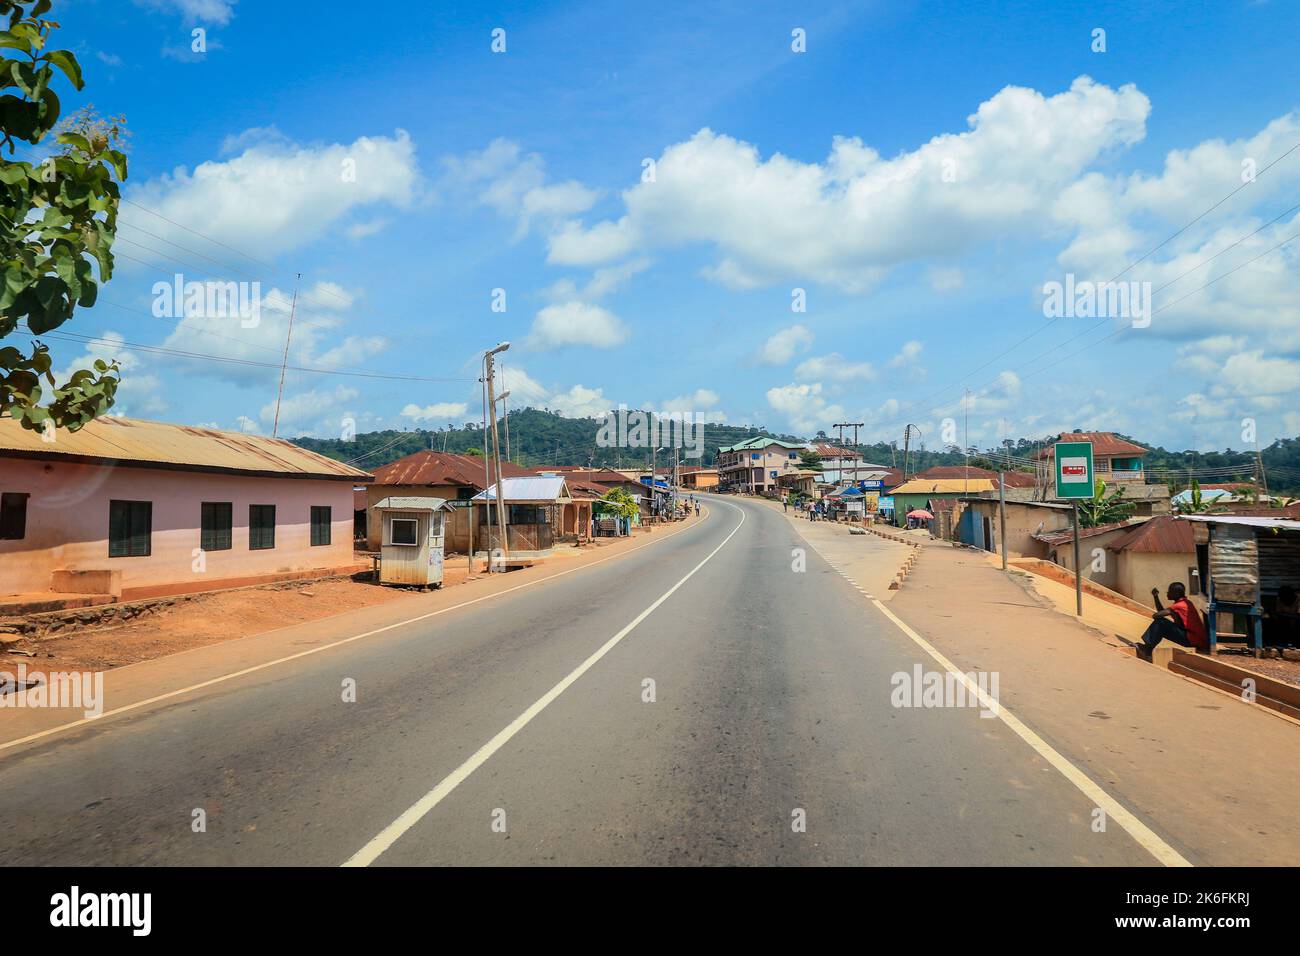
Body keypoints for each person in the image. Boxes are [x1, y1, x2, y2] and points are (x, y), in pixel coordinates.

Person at [1140, 582, 1207, 653]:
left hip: (1191, 639)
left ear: (1176, 594)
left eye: (1170, 591)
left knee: (1161, 622)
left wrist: (1169, 612)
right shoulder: (1186, 602)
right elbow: (1161, 612)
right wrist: (1156, 596)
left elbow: (1156, 615)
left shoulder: (1179, 605)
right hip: (1194, 639)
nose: (1167, 593)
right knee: (1162, 623)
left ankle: (1147, 648)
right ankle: (1148, 648)